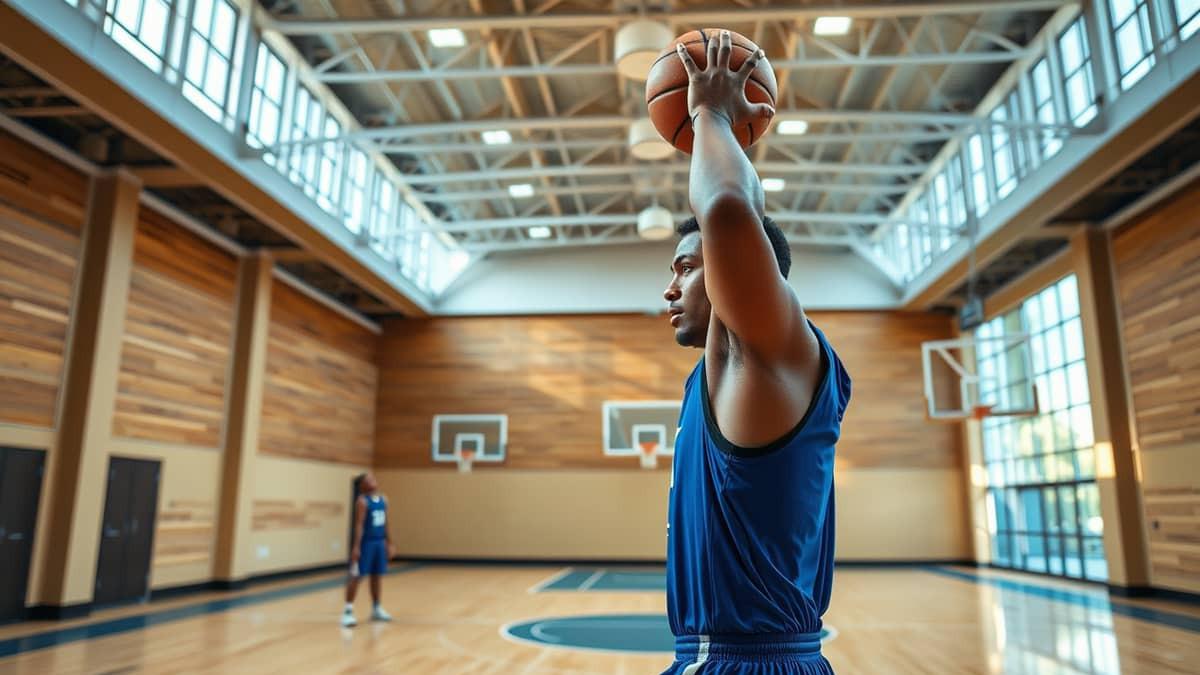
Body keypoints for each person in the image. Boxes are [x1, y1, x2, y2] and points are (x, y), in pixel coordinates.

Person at [661, 31, 852, 674]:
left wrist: (710, 111)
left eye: (686, 267)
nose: (670, 285)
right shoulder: (718, 377)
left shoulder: (771, 350)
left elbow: (727, 210)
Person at [342, 472, 394, 627]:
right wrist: (356, 547)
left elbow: (386, 523)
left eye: (373, 478)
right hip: (367, 543)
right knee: (357, 576)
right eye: (369, 479)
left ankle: (376, 608)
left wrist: (389, 542)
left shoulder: (383, 500)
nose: (373, 481)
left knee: (377, 576)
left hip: (379, 542)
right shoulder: (362, 502)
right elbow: (359, 525)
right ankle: (348, 611)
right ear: (362, 486)